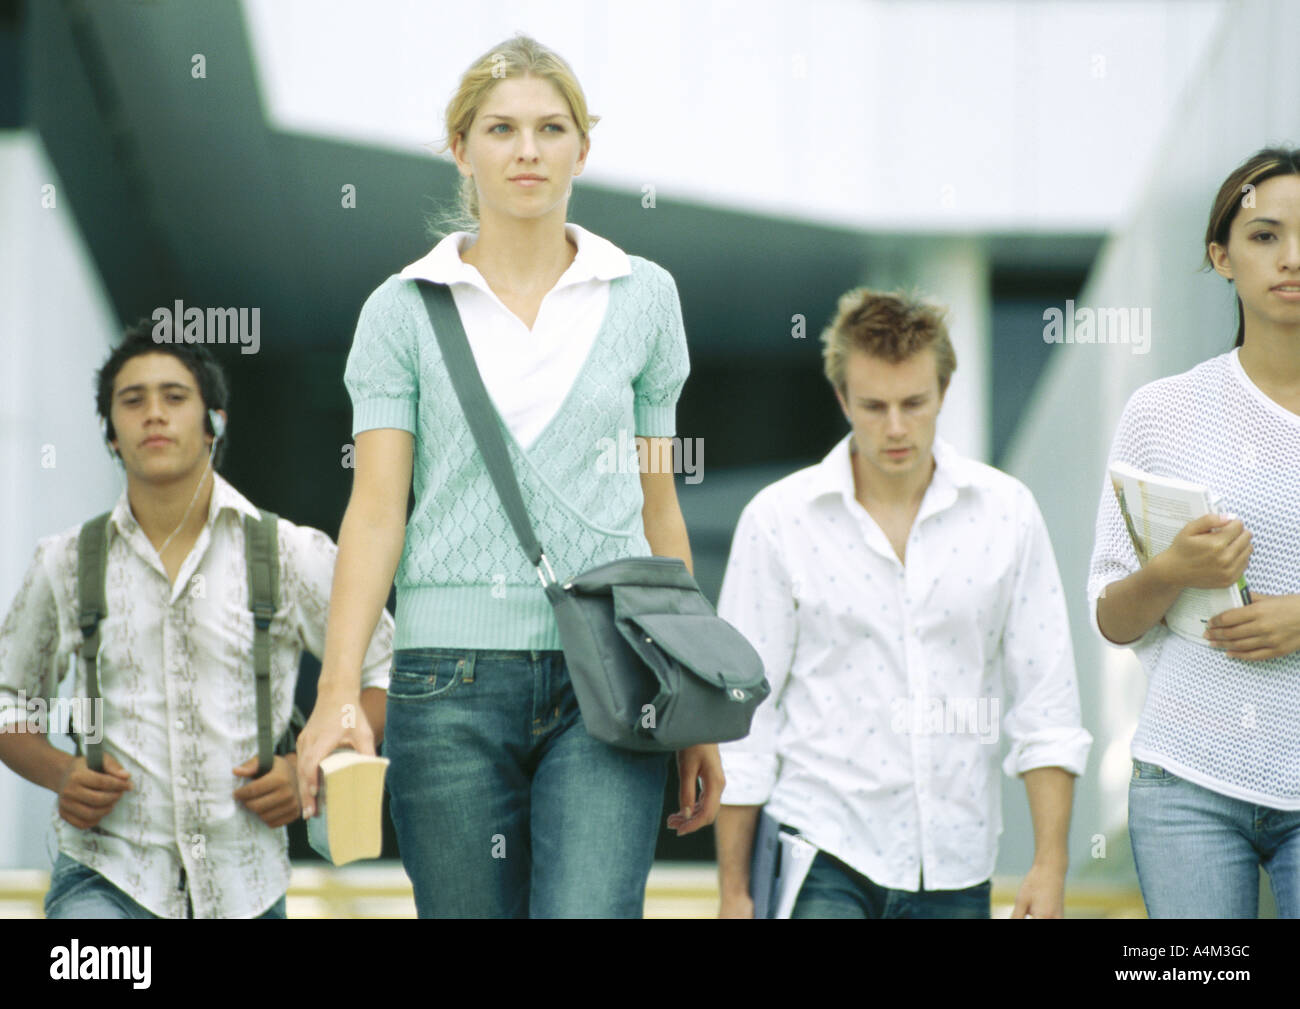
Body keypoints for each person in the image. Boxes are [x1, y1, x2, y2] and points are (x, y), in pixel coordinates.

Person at [294, 33, 720, 919]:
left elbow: (659, 505)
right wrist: (338, 692)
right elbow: (376, 513)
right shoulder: (401, 311)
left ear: (582, 149)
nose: (527, 150)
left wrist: (693, 692)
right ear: (462, 149)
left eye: (550, 127)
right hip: (443, 684)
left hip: (613, 671)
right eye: (500, 129)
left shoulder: (645, 298)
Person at [713, 288, 1092, 919]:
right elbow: (744, 719)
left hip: (958, 861)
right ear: (841, 399)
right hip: (820, 850)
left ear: (944, 390)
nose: (894, 427)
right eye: (873, 405)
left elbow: (1046, 703)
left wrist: (1049, 866)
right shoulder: (777, 521)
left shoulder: (1008, 514)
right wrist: (734, 892)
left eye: (914, 404)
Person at [0, 327, 392, 919]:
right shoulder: (63, 562)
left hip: (246, 885)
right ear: (110, 432)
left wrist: (305, 768)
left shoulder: (289, 552)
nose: (153, 413)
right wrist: (61, 773)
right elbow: (10, 700)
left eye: (175, 397)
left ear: (215, 423)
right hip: (105, 877)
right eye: (131, 401)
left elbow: (387, 669)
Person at [1089, 147, 1300, 918]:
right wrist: (1172, 566)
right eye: (1266, 235)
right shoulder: (1161, 412)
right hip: (1187, 779)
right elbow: (1112, 617)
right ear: (1222, 256)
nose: (1293, 259)